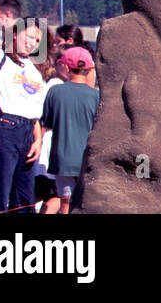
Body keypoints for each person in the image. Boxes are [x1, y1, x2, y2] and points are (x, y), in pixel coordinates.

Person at [0, 19, 47, 213]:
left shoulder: (33, 69)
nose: (33, 42)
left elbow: (35, 111)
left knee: (25, 200)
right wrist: (5, 34)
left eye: (38, 40)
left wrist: (38, 140)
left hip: (28, 132)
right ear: (15, 34)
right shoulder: (1, 59)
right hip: (4, 128)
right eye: (30, 36)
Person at [40, 47, 98, 214]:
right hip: (88, 159)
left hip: (62, 158)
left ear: (66, 68)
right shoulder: (96, 96)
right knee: (86, 202)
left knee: (65, 202)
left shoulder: (55, 92)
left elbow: (47, 122)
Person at [34, 47, 66, 212]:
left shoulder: (52, 84)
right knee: (54, 196)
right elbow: (46, 118)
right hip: (50, 147)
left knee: (41, 192)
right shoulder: (57, 85)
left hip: (46, 148)